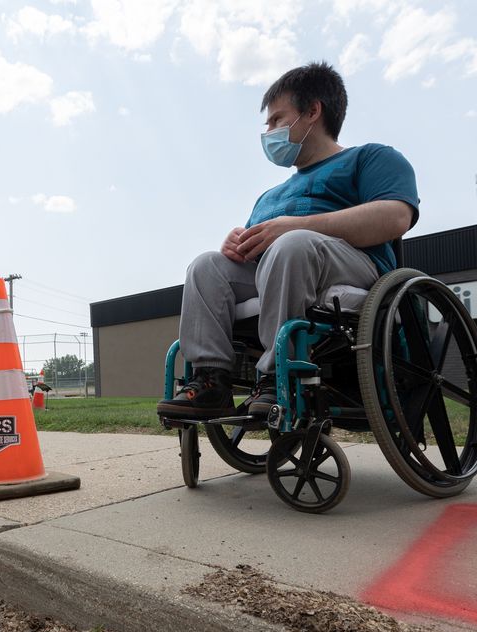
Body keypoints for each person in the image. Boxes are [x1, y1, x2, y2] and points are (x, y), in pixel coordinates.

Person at [157, 61, 419, 420]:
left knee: (292, 243)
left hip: (354, 267)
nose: (269, 131)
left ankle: (274, 377)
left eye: (277, 119)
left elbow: (395, 217)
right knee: (206, 265)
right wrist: (237, 245)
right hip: (283, 264)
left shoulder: (370, 157)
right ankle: (211, 381)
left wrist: (296, 227)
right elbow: (257, 253)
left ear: (313, 111)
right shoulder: (270, 196)